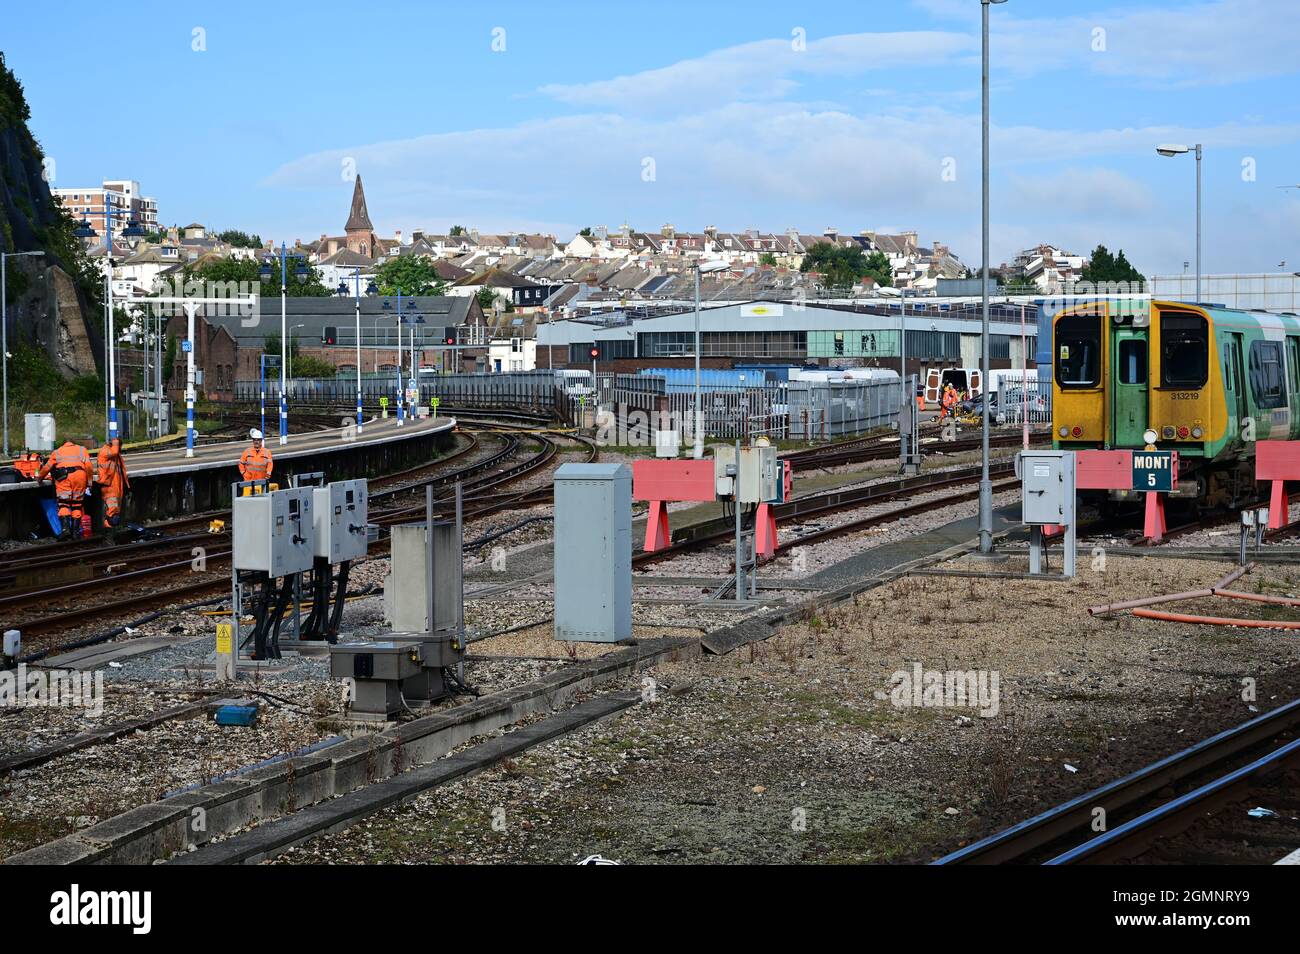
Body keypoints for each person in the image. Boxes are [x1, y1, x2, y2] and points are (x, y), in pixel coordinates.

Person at [37, 439, 94, 539]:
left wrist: (40, 477)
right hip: (80, 477)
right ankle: (75, 533)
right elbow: (89, 467)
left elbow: (47, 467)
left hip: (64, 478)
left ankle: (65, 530)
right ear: (73, 443)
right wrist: (89, 482)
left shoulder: (57, 452)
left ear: (63, 444)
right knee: (77, 505)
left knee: (64, 504)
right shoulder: (82, 449)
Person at [95, 437, 130, 536]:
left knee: (115, 513)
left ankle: (111, 534)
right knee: (112, 513)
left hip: (116, 486)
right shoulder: (105, 451)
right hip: (109, 486)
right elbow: (114, 452)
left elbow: (121, 472)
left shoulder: (115, 456)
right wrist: (116, 442)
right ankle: (108, 535)